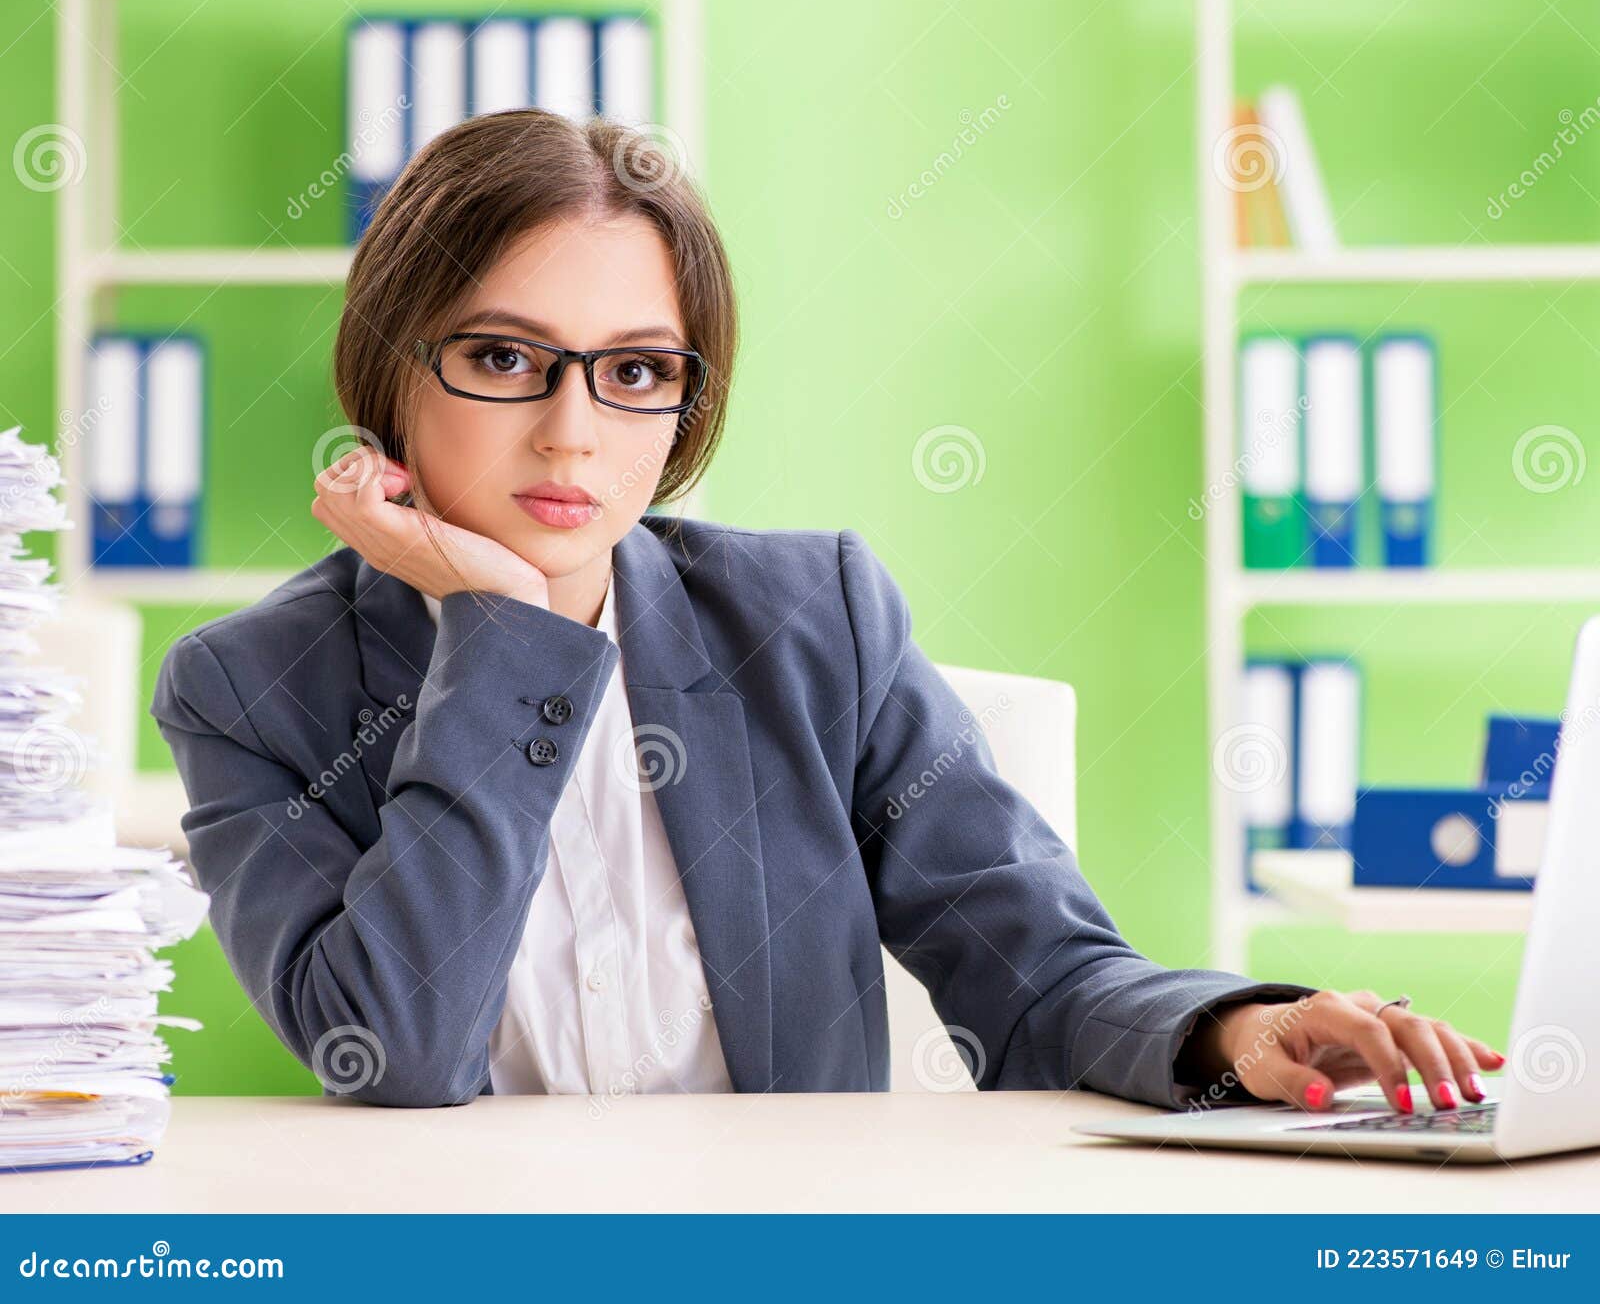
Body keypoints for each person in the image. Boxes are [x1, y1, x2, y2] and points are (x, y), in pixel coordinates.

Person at [151, 109, 1504, 1113]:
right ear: (394, 367)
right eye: (505, 357)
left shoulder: (812, 620)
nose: (572, 435)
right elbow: (388, 1056)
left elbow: (1034, 975)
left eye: (636, 370)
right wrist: (503, 638)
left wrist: (1228, 1033)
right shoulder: (251, 690)